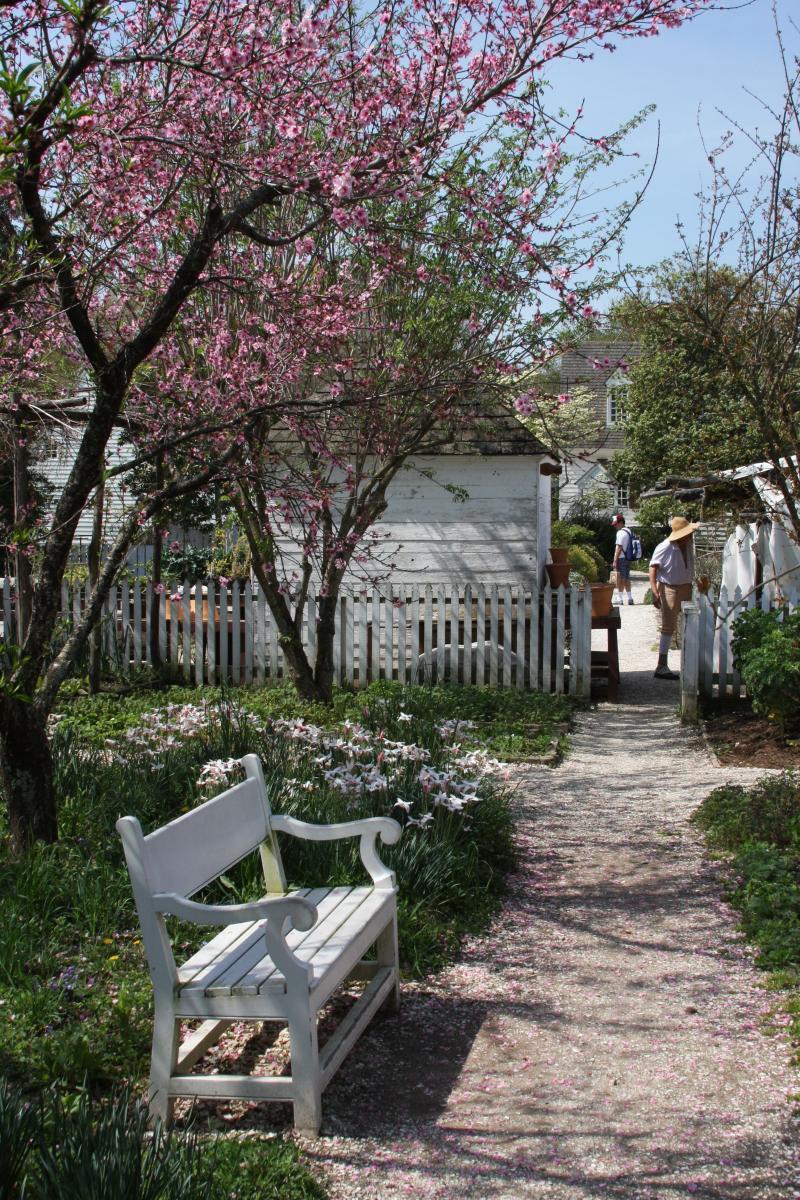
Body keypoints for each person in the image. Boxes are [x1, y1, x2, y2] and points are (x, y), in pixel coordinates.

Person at [648, 515, 700, 680]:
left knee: (689, 624)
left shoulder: (688, 544)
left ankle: (688, 663)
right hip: (670, 587)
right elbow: (653, 568)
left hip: (686, 586)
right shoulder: (665, 547)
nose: (691, 535)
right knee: (668, 626)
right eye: (688, 533)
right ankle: (661, 665)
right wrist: (655, 592)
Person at [610, 513, 634, 606]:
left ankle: (619, 598)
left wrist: (615, 560)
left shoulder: (620, 533)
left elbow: (619, 547)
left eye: (616, 524)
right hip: (627, 557)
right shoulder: (629, 531)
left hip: (621, 558)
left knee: (621, 579)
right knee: (626, 578)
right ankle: (630, 598)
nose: (615, 526)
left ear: (621, 523)